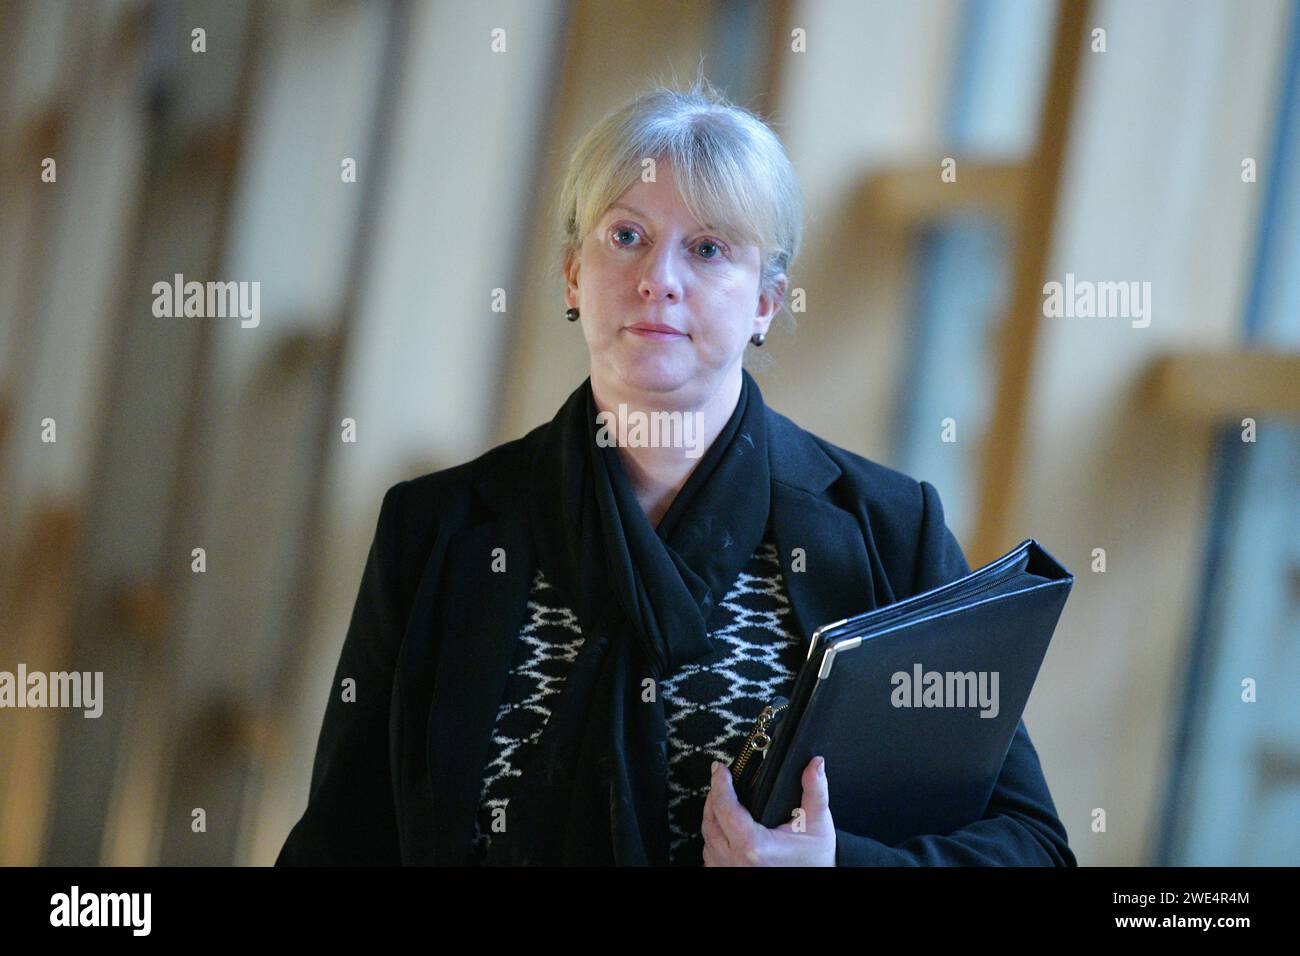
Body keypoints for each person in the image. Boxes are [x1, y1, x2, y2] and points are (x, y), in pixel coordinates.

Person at [276, 78, 1076, 867]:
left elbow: (1034, 850)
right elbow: (342, 842)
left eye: (708, 249)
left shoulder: (890, 531)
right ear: (571, 274)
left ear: (766, 301)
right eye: (625, 237)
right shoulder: (439, 529)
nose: (659, 277)